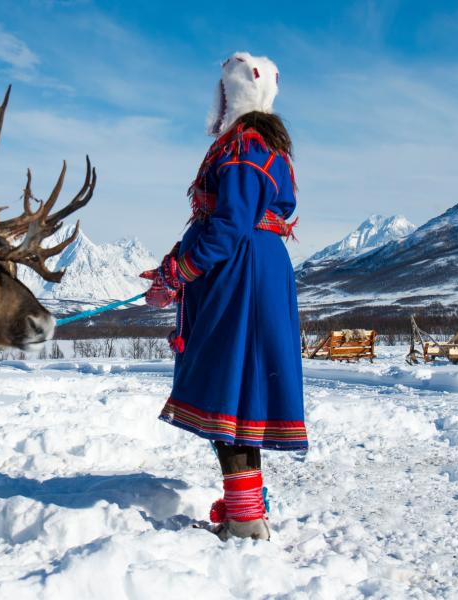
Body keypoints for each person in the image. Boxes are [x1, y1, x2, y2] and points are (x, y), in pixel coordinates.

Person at [141, 52, 306, 541]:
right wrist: (176, 261)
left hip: (239, 276)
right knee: (239, 393)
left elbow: (228, 226)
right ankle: (247, 508)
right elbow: (220, 223)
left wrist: (180, 273)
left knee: (227, 392)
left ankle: (247, 519)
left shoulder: (241, 150)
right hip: (254, 269)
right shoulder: (266, 149)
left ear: (229, 97)